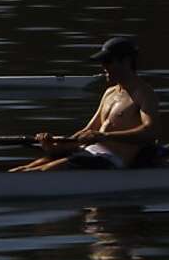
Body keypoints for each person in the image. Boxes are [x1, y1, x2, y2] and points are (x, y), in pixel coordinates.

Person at [10, 37, 160, 172]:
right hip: (88, 152)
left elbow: (149, 132)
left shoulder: (144, 93)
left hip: (111, 161)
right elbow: (88, 131)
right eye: (102, 62)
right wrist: (56, 145)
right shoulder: (109, 93)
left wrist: (104, 136)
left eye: (108, 61)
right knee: (22, 170)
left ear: (126, 61)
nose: (103, 66)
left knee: (39, 173)